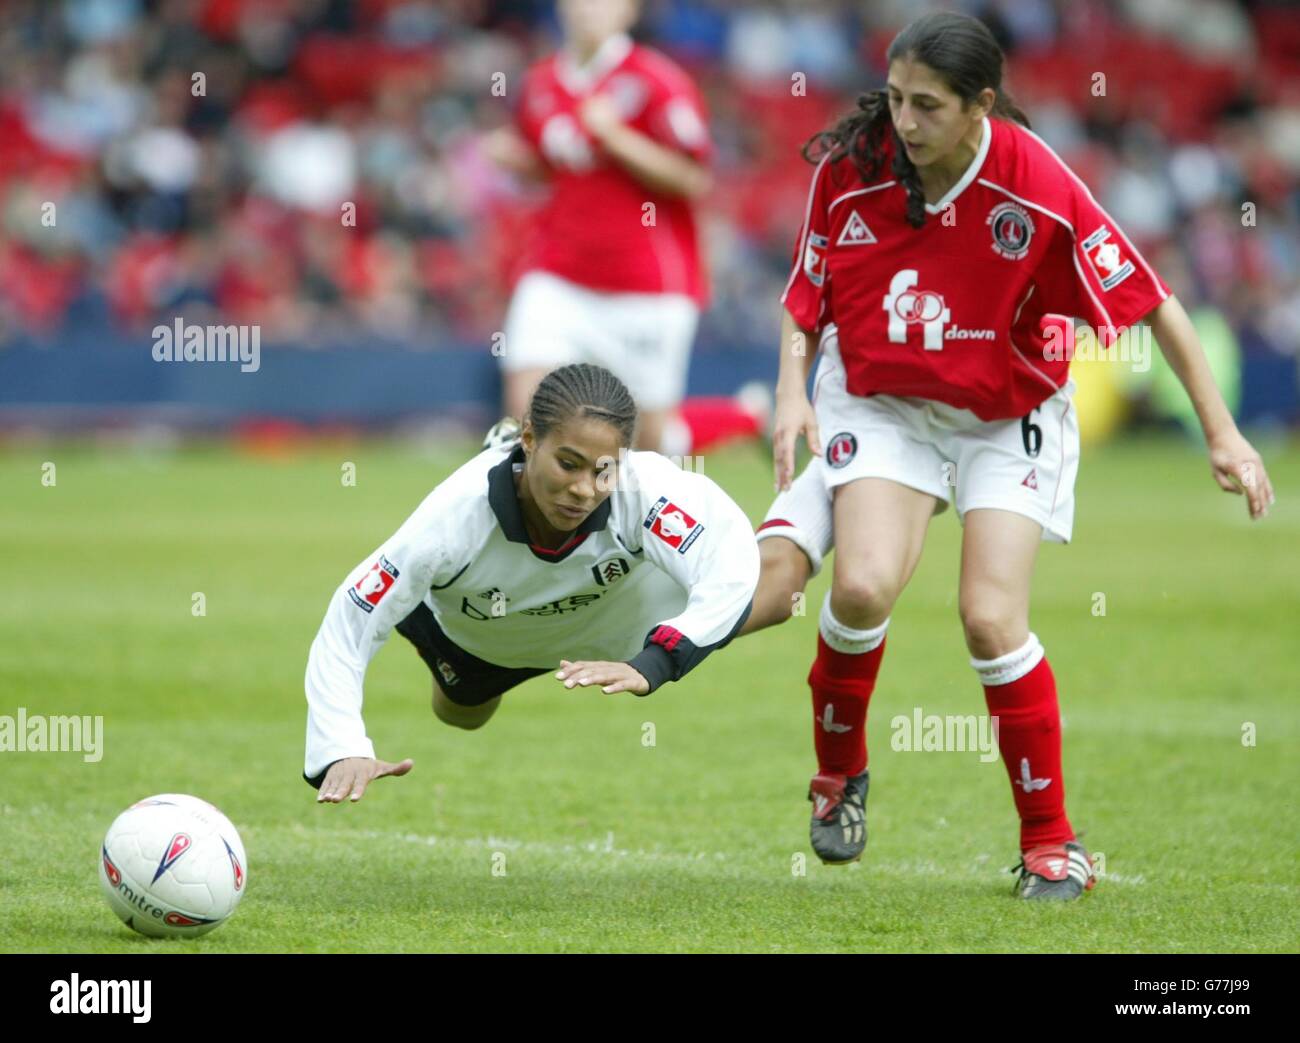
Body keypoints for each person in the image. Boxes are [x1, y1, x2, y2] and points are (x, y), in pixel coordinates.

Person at [763, 11, 1275, 899]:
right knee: (860, 584)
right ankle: (839, 772)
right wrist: (787, 395)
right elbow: (805, 297)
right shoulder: (853, 168)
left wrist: (1223, 432)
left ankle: (1052, 840)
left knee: (990, 618)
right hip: (887, 399)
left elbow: (1154, 303)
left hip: (1007, 411)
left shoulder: (1036, 182)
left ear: (980, 106)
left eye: (927, 106)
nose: (905, 123)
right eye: (894, 100)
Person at [303, 364, 758, 803]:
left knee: (772, 593)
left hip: (616, 625)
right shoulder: (450, 520)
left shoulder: (647, 490)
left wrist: (657, 661)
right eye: (567, 463)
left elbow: (730, 563)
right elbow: (352, 615)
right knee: (461, 715)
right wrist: (342, 745)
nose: (584, 488)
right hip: (486, 638)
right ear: (529, 438)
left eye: (604, 469)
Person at [485, 0, 712, 454]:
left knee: (645, 449)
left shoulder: (657, 80)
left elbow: (694, 178)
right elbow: (556, 169)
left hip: (644, 284)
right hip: (558, 271)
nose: (589, 9)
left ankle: (739, 419)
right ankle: (543, 523)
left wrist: (618, 138)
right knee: (530, 412)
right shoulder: (540, 82)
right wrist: (520, 163)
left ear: (630, 11)